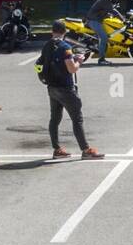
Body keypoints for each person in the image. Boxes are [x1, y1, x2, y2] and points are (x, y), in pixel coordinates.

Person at [35, 19, 104, 161]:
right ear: (65, 32)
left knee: (55, 119)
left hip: (52, 88)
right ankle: (86, 150)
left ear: (52, 32)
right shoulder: (65, 47)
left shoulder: (47, 46)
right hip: (65, 89)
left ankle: (57, 149)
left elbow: (41, 63)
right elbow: (71, 69)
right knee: (77, 119)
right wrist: (79, 60)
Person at [86, 0, 121, 64]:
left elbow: (104, 10)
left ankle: (97, 47)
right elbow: (113, 10)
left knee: (103, 34)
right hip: (93, 20)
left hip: (96, 19)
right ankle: (101, 59)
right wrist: (123, 18)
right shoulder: (105, 0)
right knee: (104, 37)